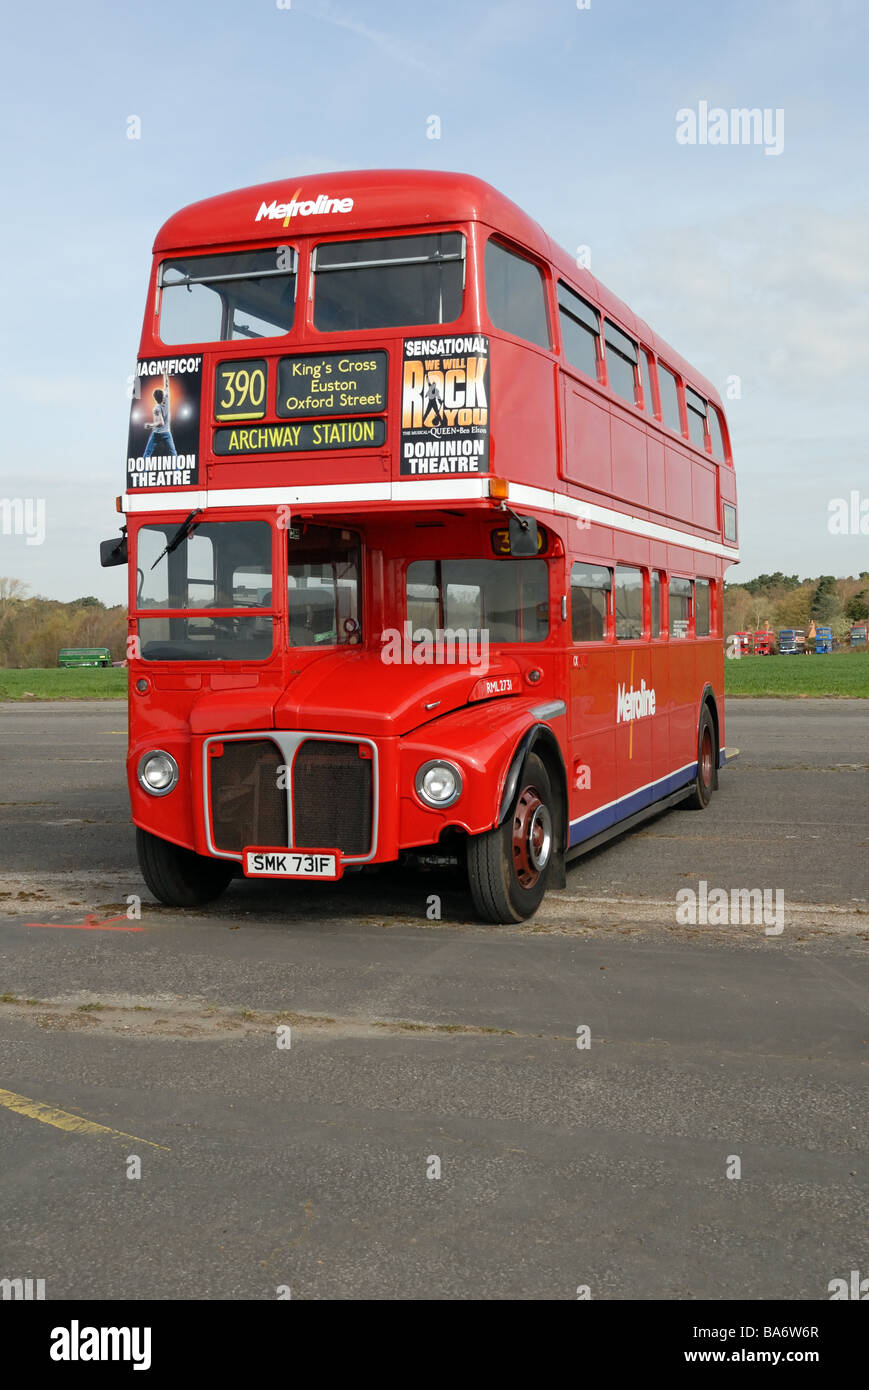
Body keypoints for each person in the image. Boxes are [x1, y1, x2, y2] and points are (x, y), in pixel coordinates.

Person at [142, 373, 177, 457]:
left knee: (147, 453)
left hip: (157, 434)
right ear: (162, 395)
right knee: (173, 453)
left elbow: (161, 423)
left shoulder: (156, 408)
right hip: (166, 433)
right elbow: (166, 384)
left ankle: (143, 470)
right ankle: (177, 469)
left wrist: (150, 425)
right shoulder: (167, 399)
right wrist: (165, 373)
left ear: (155, 398)